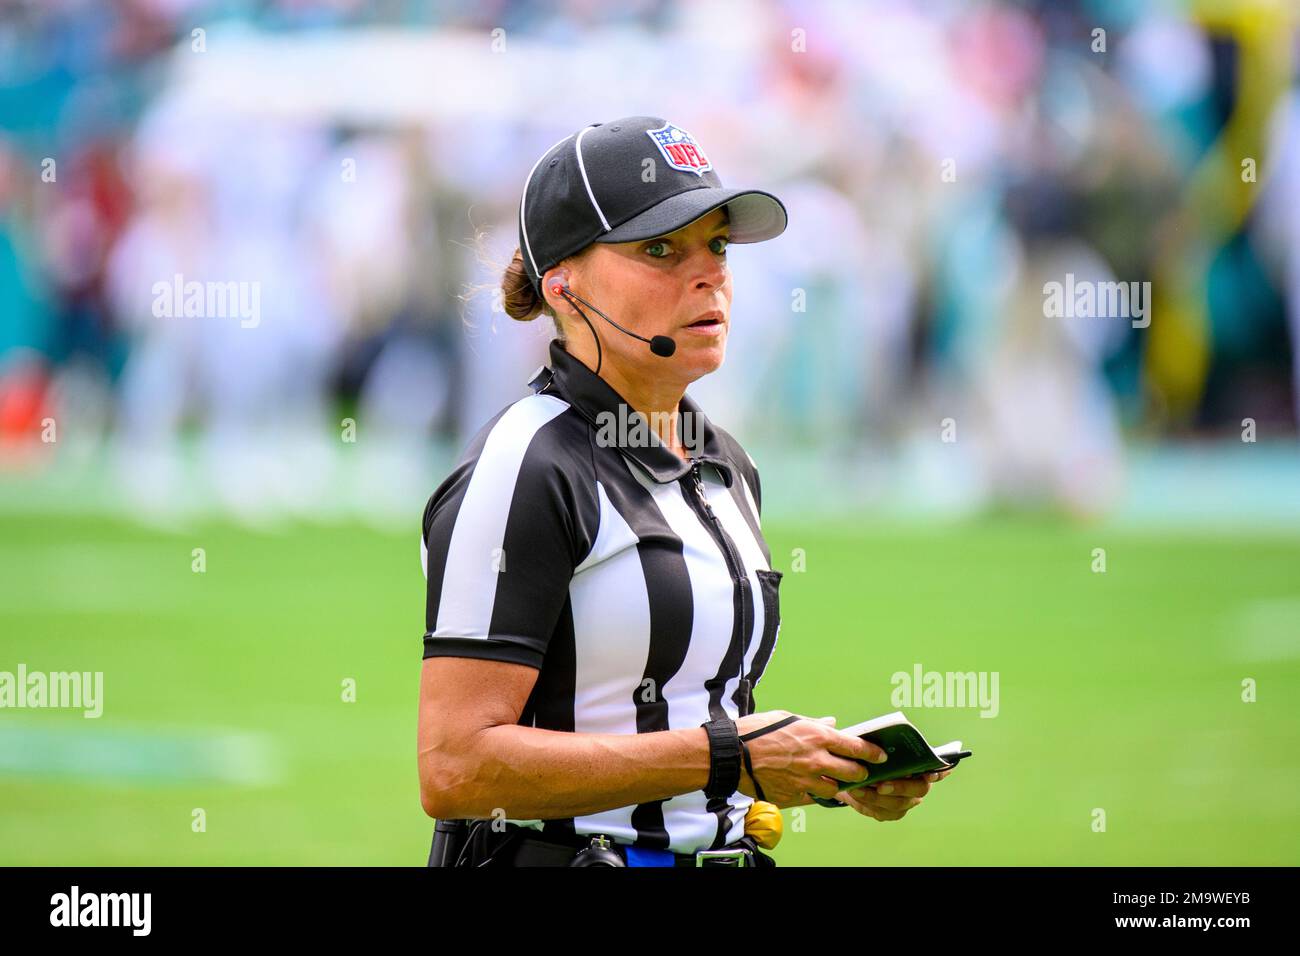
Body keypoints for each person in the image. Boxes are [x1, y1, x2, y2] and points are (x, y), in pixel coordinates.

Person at [417, 116, 951, 867]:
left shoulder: (725, 460)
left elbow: (692, 719)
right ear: (564, 287)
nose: (710, 275)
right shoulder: (528, 464)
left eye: (719, 245)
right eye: (660, 249)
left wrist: (824, 769)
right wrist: (730, 757)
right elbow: (456, 768)